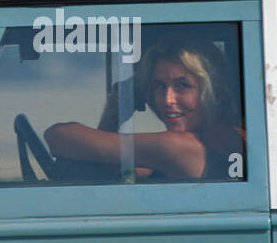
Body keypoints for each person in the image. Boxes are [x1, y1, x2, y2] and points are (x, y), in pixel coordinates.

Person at [44, 35, 245, 181]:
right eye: (159, 86)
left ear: (215, 92)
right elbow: (133, 167)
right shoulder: (230, 136)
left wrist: (113, 114)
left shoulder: (179, 147)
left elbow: (59, 137)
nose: (167, 100)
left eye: (182, 85)